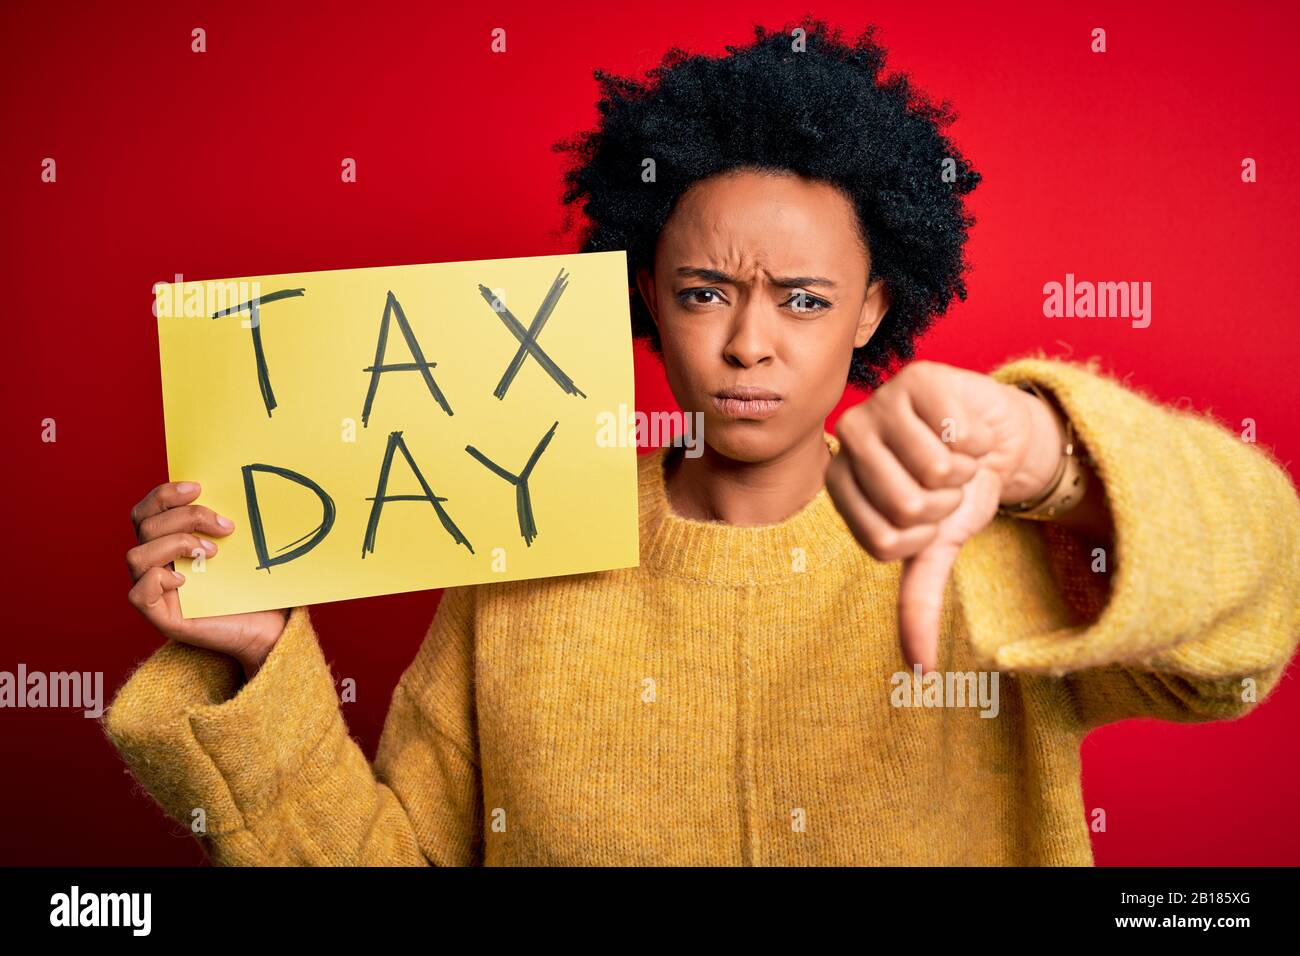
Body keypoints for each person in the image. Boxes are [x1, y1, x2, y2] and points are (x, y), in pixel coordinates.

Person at [103, 18, 1300, 865]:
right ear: (646, 299)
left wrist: (1054, 461)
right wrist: (259, 665)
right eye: (701, 291)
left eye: (804, 298)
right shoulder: (520, 557)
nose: (747, 345)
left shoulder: (975, 530)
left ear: (876, 307)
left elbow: (1250, 626)